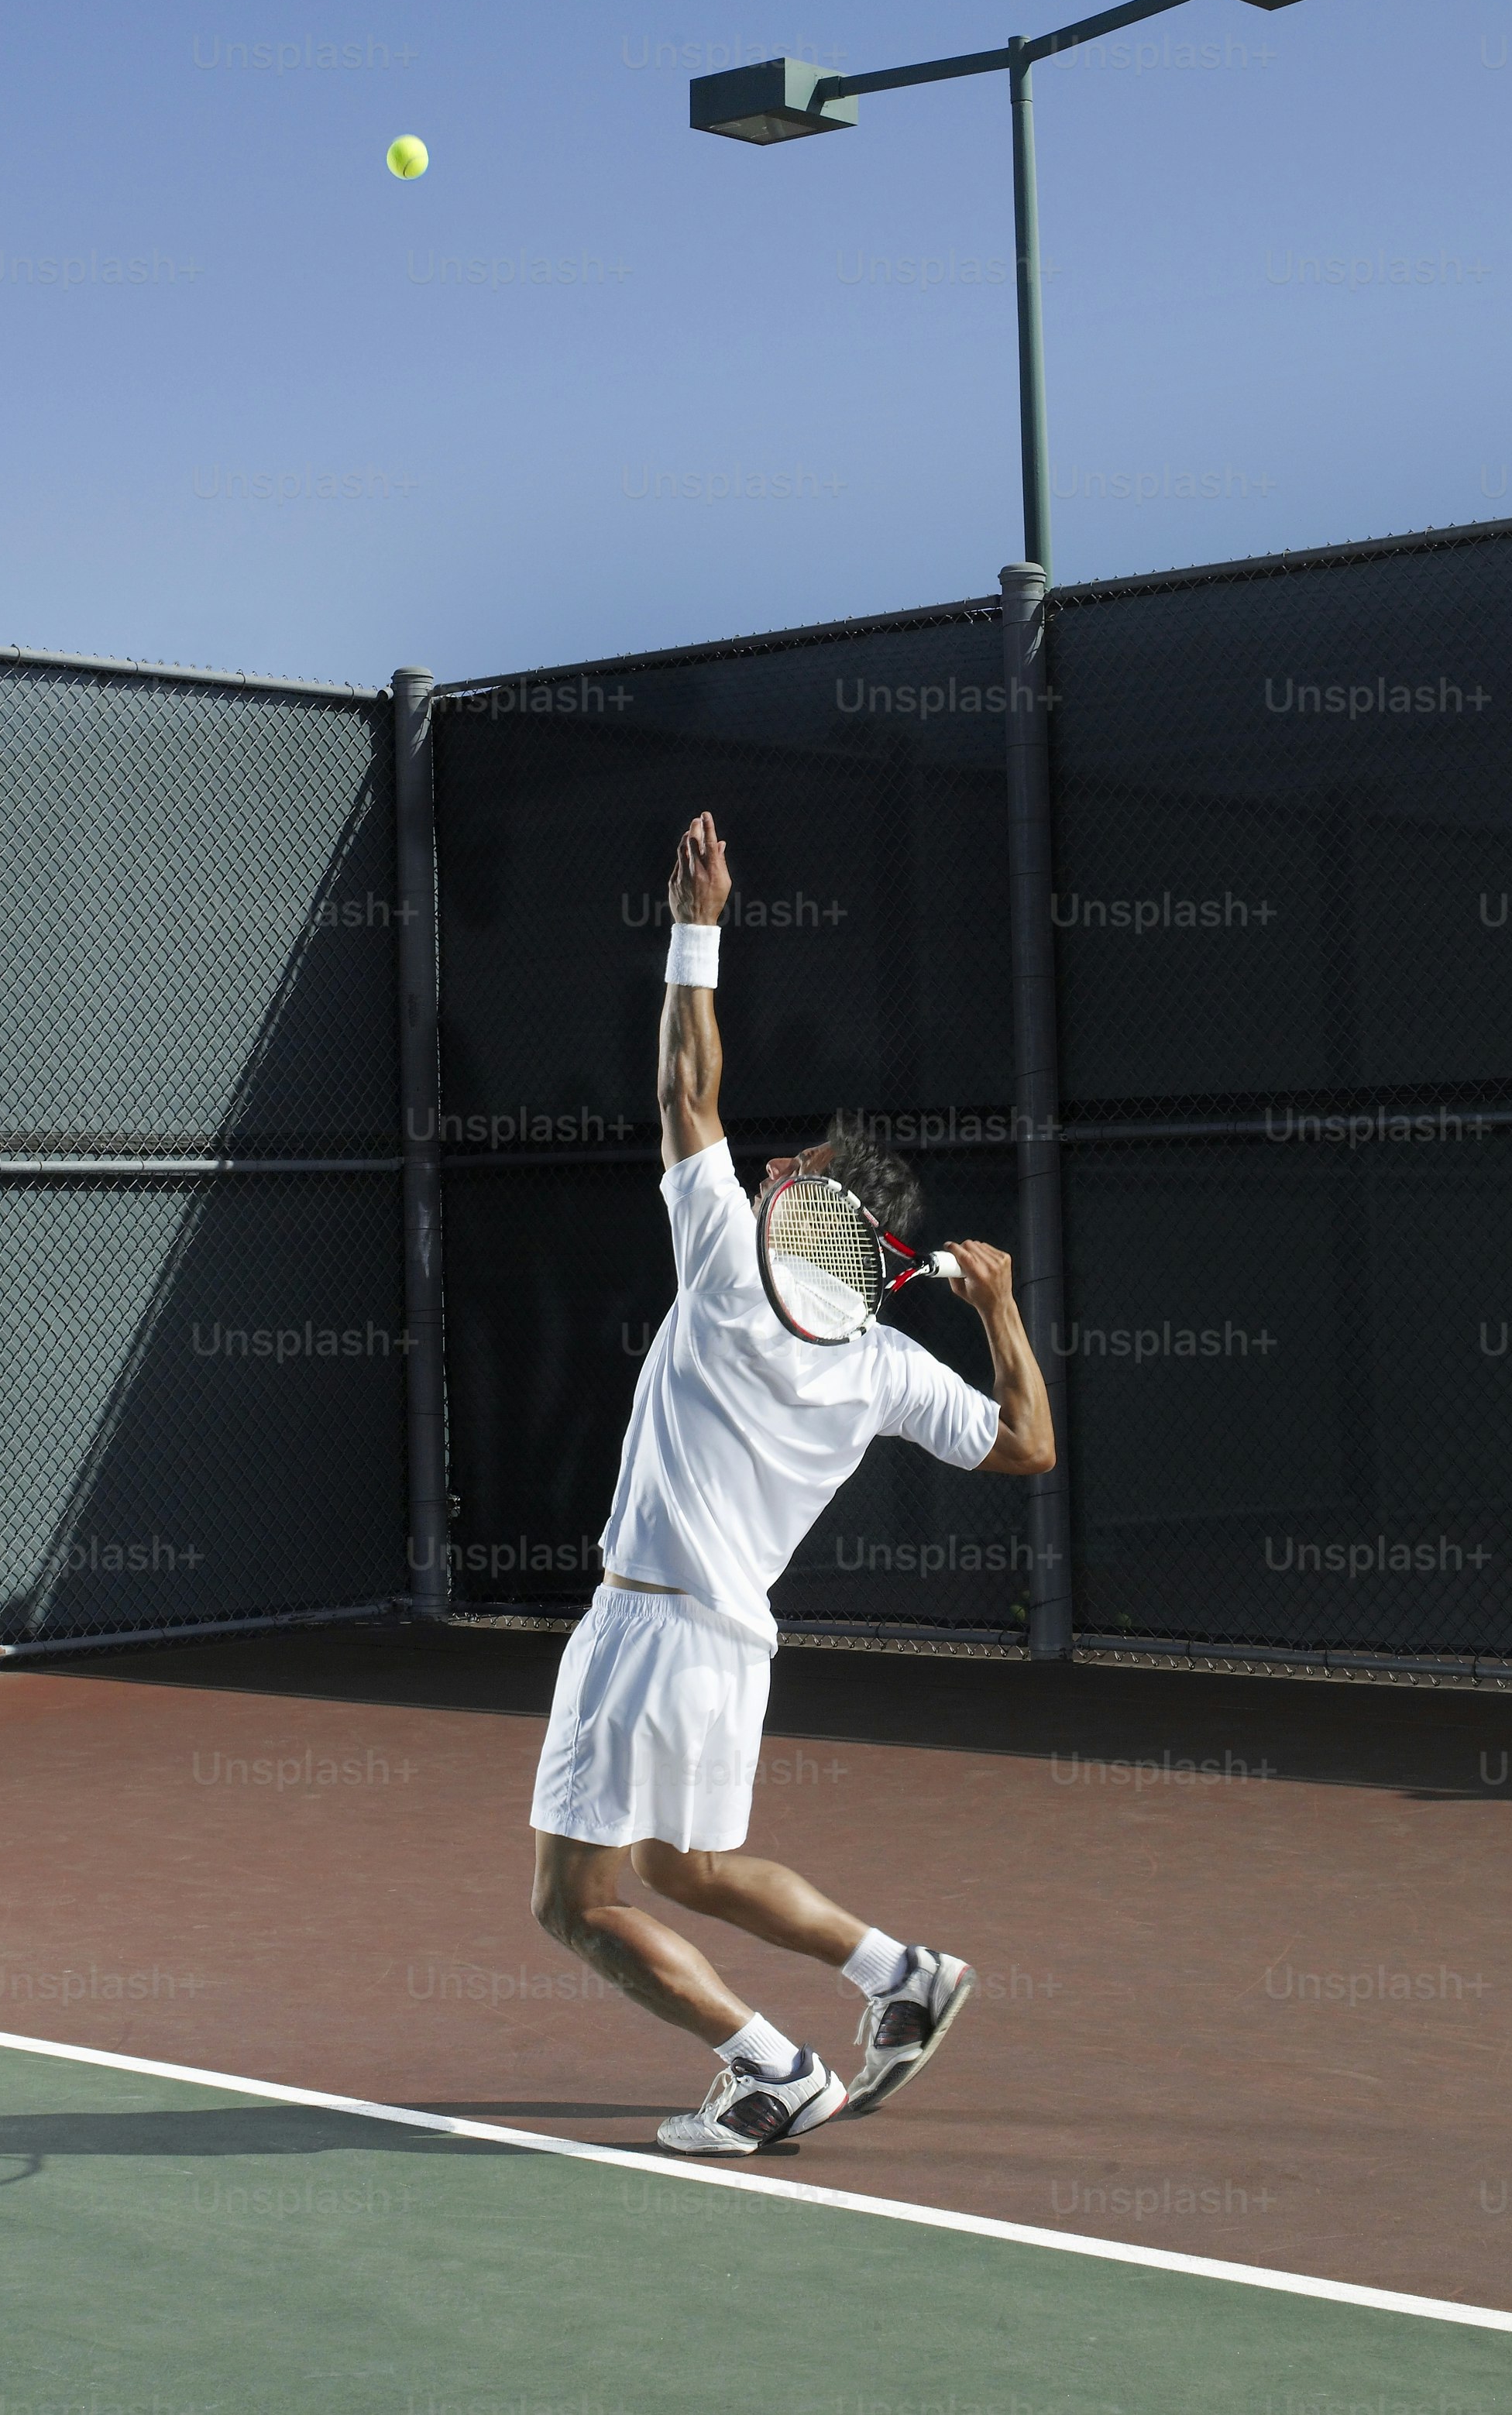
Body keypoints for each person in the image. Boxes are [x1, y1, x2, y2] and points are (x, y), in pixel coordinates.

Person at [526, 809, 1057, 2156]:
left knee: (576, 1904)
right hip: (736, 1646)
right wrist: (999, 1310)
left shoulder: (718, 1257)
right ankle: (902, 1975)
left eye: (800, 1171)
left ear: (823, 1211)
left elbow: (684, 1091)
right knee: (686, 1871)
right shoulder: (880, 1362)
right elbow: (1027, 1447)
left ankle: (771, 2070)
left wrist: (695, 924)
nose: (774, 1169)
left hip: (646, 1629)